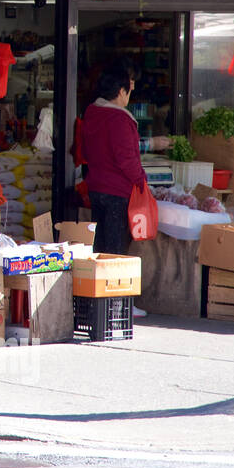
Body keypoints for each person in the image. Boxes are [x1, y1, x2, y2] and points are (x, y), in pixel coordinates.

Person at [79, 61, 169, 318]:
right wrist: (142, 182)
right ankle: (117, 305)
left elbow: (87, 152)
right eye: (128, 91)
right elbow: (127, 159)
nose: (129, 96)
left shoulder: (92, 113)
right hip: (118, 192)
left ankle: (97, 300)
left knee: (101, 246)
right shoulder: (118, 118)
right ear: (120, 92)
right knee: (117, 248)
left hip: (96, 188)